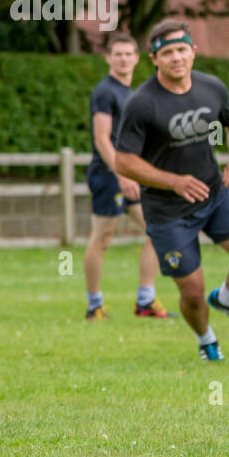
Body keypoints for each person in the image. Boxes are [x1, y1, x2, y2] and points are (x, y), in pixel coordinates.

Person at [115, 19, 229, 361]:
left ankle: (228, 298)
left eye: (182, 49)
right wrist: (173, 181)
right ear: (154, 59)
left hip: (215, 193)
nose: (176, 58)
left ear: (193, 52)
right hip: (168, 211)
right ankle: (206, 339)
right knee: (193, 293)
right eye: (167, 52)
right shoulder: (142, 103)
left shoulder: (211, 87)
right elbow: (123, 162)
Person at [83, 32, 169, 320]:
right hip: (109, 176)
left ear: (136, 58)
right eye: (117, 53)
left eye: (128, 54)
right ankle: (94, 305)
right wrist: (122, 174)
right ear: (108, 57)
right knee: (102, 238)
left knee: (158, 230)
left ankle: (145, 302)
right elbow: (102, 139)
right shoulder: (105, 92)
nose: (123, 59)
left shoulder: (131, 92)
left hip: (130, 175)